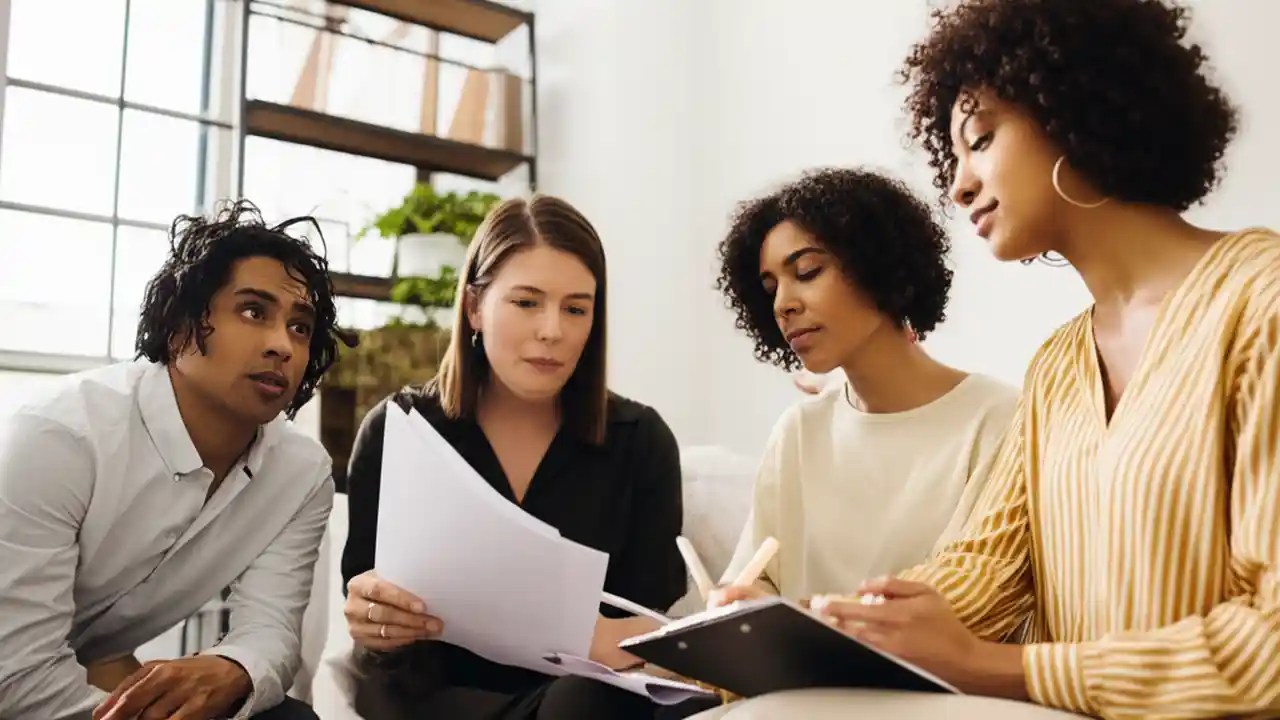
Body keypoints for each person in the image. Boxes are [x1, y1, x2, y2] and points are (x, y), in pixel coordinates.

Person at [792, 1, 1279, 719]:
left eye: (981, 139)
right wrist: (824, 628)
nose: (957, 185)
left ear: (1072, 110)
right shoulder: (1056, 367)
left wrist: (1002, 668)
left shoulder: (1261, 305)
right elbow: (984, 571)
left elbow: (1270, 645)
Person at [340, 194, 686, 720]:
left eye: (575, 308)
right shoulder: (398, 430)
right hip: (430, 699)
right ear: (475, 307)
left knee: (592, 703)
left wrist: (603, 641)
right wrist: (373, 618)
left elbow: (650, 626)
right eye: (526, 302)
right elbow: (369, 618)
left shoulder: (640, 441)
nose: (553, 330)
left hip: (578, 701)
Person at [0, 200, 350, 719]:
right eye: (253, 311)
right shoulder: (62, 436)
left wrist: (233, 668)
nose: (282, 345)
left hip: (79, 667)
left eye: (300, 327)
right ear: (181, 326)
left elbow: (272, 631)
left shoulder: (301, 474)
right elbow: (16, 677)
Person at [707, 167, 1017, 608]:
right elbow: (759, 579)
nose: (783, 304)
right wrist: (740, 601)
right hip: (796, 675)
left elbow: (970, 599)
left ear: (879, 267)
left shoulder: (998, 419)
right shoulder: (799, 431)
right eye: (771, 288)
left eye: (808, 271)